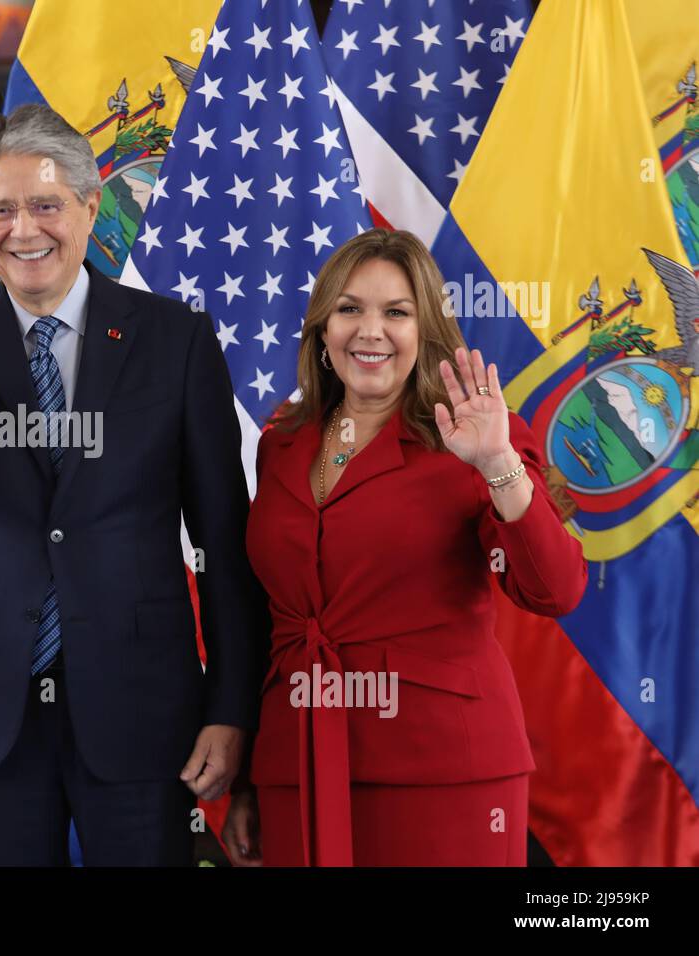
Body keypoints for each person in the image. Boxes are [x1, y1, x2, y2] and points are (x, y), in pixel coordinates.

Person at [0, 104, 265, 865]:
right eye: (0, 210)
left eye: (44, 205)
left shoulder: (175, 341)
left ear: (91, 207)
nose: (23, 230)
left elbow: (225, 544)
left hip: (140, 702)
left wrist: (231, 709)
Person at [220, 228, 588, 866]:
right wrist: (252, 775)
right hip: (298, 758)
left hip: (442, 767)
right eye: (349, 309)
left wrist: (499, 462)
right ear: (321, 327)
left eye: (396, 312)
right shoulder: (282, 438)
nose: (370, 331)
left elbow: (554, 590)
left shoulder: (475, 431)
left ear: (428, 330)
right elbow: (270, 618)